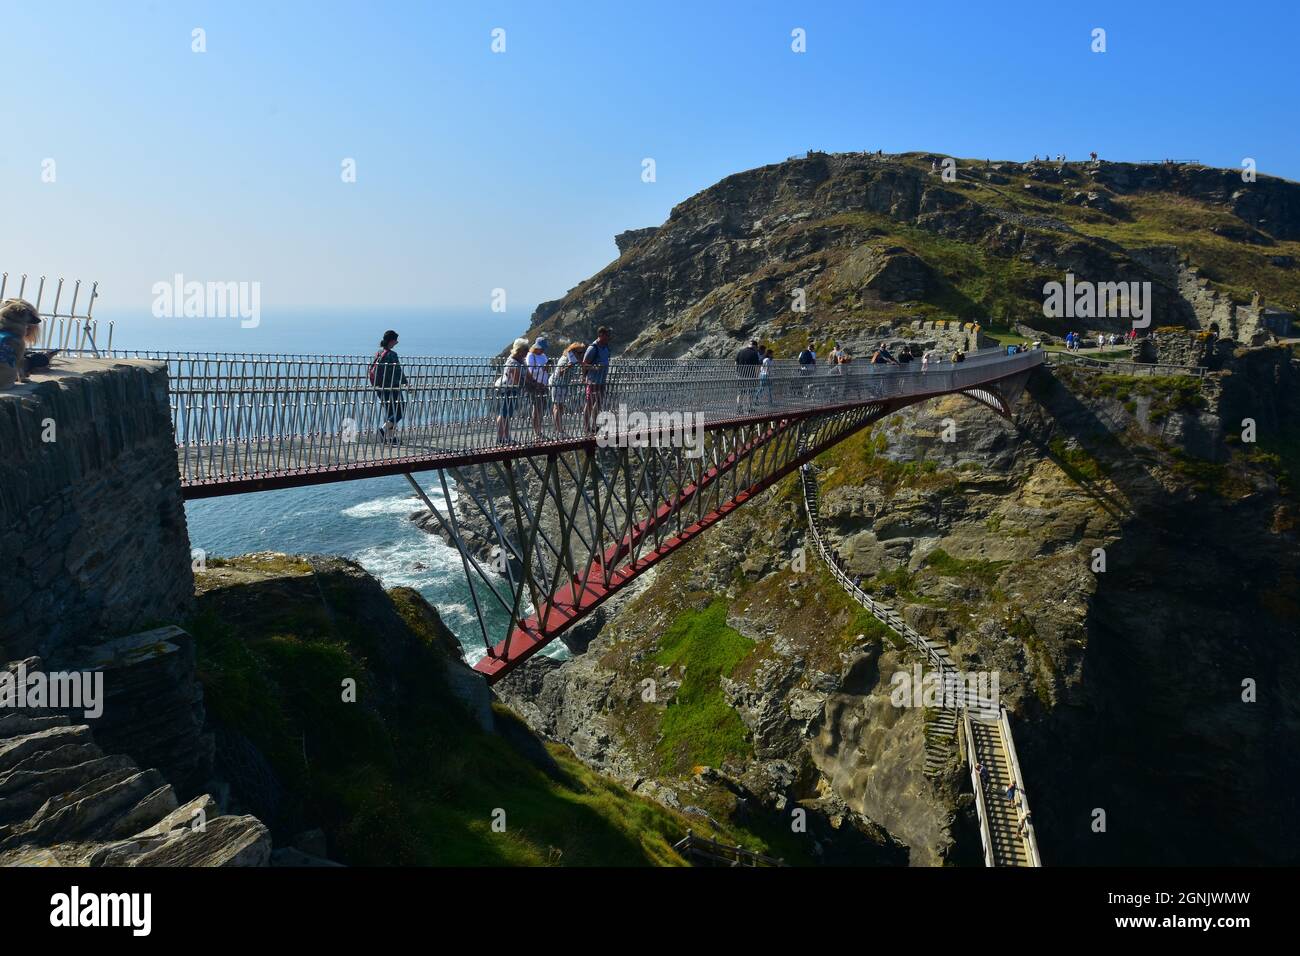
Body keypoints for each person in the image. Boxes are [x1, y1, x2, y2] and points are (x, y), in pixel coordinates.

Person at [368, 330, 408, 445]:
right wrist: (406, 383)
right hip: (392, 387)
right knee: (400, 410)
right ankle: (383, 430)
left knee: (390, 412)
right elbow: (398, 371)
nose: (397, 342)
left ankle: (389, 438)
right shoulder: (392, 354)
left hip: (379, 387)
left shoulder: (379, 352)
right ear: (392, 341)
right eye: (396, 339)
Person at [0, 299, 41, 389]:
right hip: (3, 384)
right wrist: (22, 377)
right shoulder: (14, 339)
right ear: (20, 314)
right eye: (29, 315)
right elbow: (18, 361)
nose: (34, 319)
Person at [496, 337, 529, 444]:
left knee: (508, 413)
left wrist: (532, 383)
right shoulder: (513, 362)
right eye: (525, 350)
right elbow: (516, 379)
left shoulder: (521, 361)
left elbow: (526, 375)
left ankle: (506, 436)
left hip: (513, 389)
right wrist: (527, 386)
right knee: (504, 412)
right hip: (507, 389)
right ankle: (501, 437)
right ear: (520, 350)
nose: (527, 352)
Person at [549, 341, 584, 436]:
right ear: (573, 351)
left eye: (582, 352)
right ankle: (558, 430)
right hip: (557, 384)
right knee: (557, 406)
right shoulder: (565, 359)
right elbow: (559, 373)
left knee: (560, 406)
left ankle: (559, 428)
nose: (581, 354)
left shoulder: (574, 359)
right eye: (579, 352)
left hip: (564, 384)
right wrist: (568, 367)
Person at [582, 326, 612, 432]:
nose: (609, 337)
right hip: (593, 381)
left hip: (601, 381)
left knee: (598, 403)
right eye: (607, 335)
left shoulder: (606, 347)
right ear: (600, 335)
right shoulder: (592, 348)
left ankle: (594, 425)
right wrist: (594, 368)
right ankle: (586, 427)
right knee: (590, 403)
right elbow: (584, 364)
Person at [525, 336, 550, 438]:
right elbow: (530, 372)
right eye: (541, 348)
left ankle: (539, 429)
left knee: (541, 409)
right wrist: (542, 369)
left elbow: (546, 369)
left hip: (544, 385)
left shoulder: (543, 356)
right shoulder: (531, 356)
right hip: (535, 385)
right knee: (536, 408)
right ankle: (537, 431)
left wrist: (547, 368)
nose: (543, 350)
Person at [735, 338, 762, 410]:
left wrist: (738, 372)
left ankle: (739, 408)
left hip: (740, 375)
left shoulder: (740, 352)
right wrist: (757, 377)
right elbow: (757, 367)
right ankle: (749, 408)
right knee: (750, 392)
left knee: (741, 392)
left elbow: (736, 363)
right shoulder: (754, 354)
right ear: (755, 346)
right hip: (751, 376)